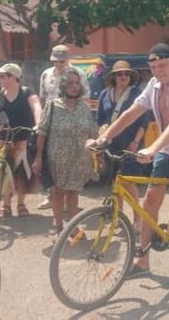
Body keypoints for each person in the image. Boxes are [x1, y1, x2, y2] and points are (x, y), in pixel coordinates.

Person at [87, 43, 169, 305]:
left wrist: (154, 147)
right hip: (168, 147)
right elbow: (132, 113)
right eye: (153, 67)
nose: (158, 71)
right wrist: (105, 137)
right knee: (151, 199)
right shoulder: (153, 86)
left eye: (162, 66)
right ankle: (142, 261)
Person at [32, 67, 97, 236]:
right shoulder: (53, 105)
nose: (74, 86)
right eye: (70, 83)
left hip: (79, 159)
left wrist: (97, 154)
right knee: (57, 191)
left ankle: (73, 227)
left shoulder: (84, 107)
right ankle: (59, 224)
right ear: (62, 86)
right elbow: (42, 132)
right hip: (57, 160)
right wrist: (38, 157)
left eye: (76, 83)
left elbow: (92, 132)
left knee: (73, 192)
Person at [0, 63, 42, 218]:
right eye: (1, 76)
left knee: (21, 172)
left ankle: (21, 203)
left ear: (14, 78)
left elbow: (37, 106)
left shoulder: (26, 92)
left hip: (22, 137)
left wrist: (38, 123)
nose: (0, 78)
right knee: (4, 171)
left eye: (3, 76)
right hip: (1, 138)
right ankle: (5, 204)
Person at [96, 60, 148, 231]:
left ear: (130, 76)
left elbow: (144, 121)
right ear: (114, 77)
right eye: (119, 74)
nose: (123, 77)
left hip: (130, 144)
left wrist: (135, 142)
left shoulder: (136, 93)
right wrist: (100, 141)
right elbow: (101, 121)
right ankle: (118, 218)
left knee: (129, 183)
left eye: (126, 74)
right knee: (115, 183)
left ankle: (137, 220)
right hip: (111, 144)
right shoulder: (105, 94)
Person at [37, 44, 89, 210]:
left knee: (71, 161)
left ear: (67, 59)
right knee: (50, 161)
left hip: (71, 122)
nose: (58, 64)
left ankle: (69, 199)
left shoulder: (78, 75)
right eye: (56, 61)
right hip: (51, 122)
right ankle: (51, 196)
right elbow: (42, 98)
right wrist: (41, 120)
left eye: (61, 61)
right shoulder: (46, 74)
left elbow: (85, 99)